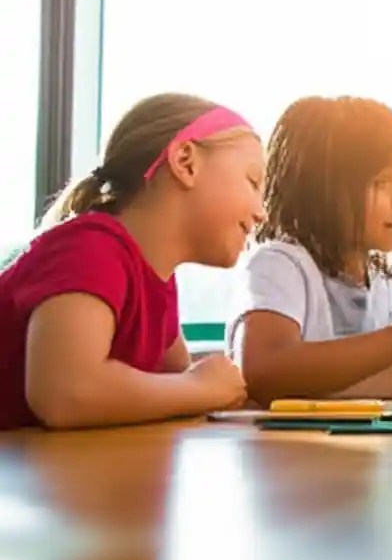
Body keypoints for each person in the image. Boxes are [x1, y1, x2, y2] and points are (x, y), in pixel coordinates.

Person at [0, 93, 262, 429]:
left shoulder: (157, 281)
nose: (261, 211)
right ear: (185, 162)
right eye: (253, 182)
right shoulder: (90, 248)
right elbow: (66, 393)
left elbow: (171, 381)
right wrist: (199, 386)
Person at [228, 96, 392, 405]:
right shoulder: (280, 265)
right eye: (382, 181)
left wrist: (338, 388)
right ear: (322, 187)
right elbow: (266, 372)